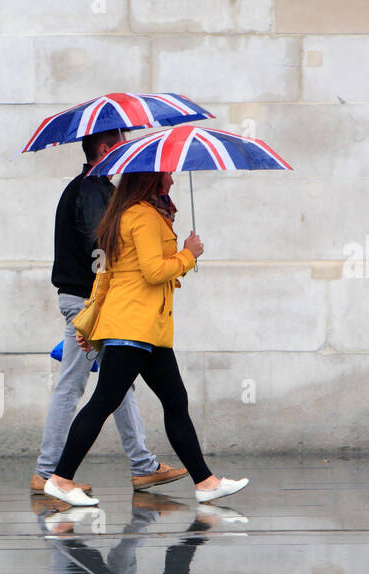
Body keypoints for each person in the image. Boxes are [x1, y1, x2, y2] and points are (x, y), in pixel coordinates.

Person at [43, 170, 249, 507]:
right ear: (151, 180)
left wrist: (91, 327)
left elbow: (106, 276)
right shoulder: (143, 216)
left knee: (174, 401)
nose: (172, 179)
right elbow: (154, 272)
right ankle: (61, 479)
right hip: (134, 327)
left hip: (145, 328)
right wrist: (188, 254)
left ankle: (206, 481)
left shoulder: (127, 215)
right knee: (104, 401)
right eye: (167, 174)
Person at [30, 129, 189, 497]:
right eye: (122, 144)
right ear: (106, 149)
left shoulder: (95, 189)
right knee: (75, 387)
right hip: (88, 301)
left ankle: (143, 466)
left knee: (117, 387)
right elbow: (103, 252)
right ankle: (49, 473)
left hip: (90, 300)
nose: (131, 151)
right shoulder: (92, 191)